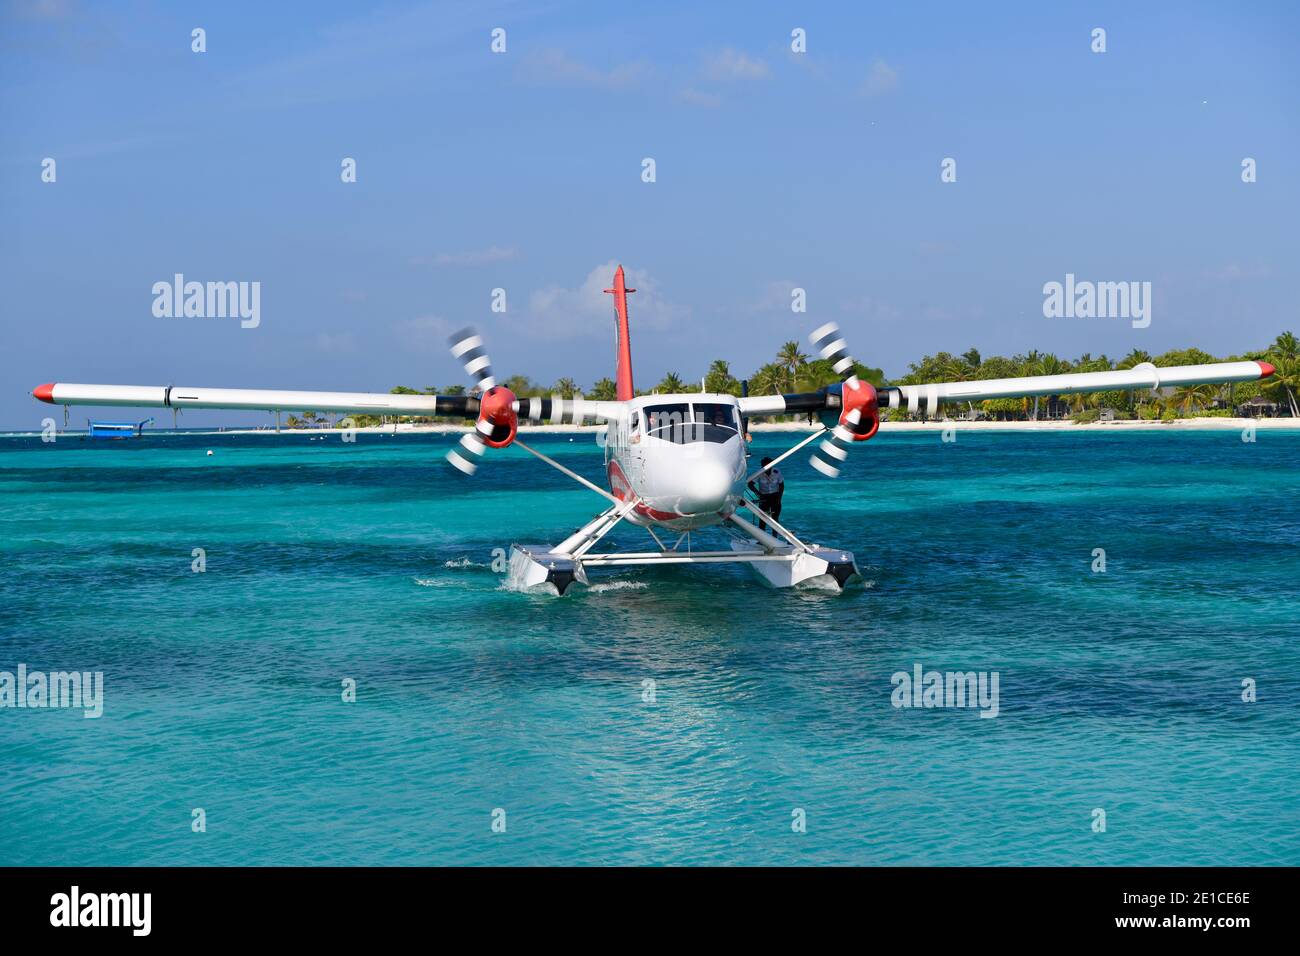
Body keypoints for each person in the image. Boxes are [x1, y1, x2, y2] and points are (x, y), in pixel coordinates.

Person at [747, 456, 784, 531]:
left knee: (775, 519)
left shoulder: (777, 472)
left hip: (775, 497)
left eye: (768, 465)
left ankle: (775, 538)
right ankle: (762, 539)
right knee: (763, 519)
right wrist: (758, 494)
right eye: (764, 465)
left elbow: (781, 485)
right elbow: (750, 484)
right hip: (764, 498)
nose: (766, 467)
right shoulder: (759, 473)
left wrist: (779, 498)